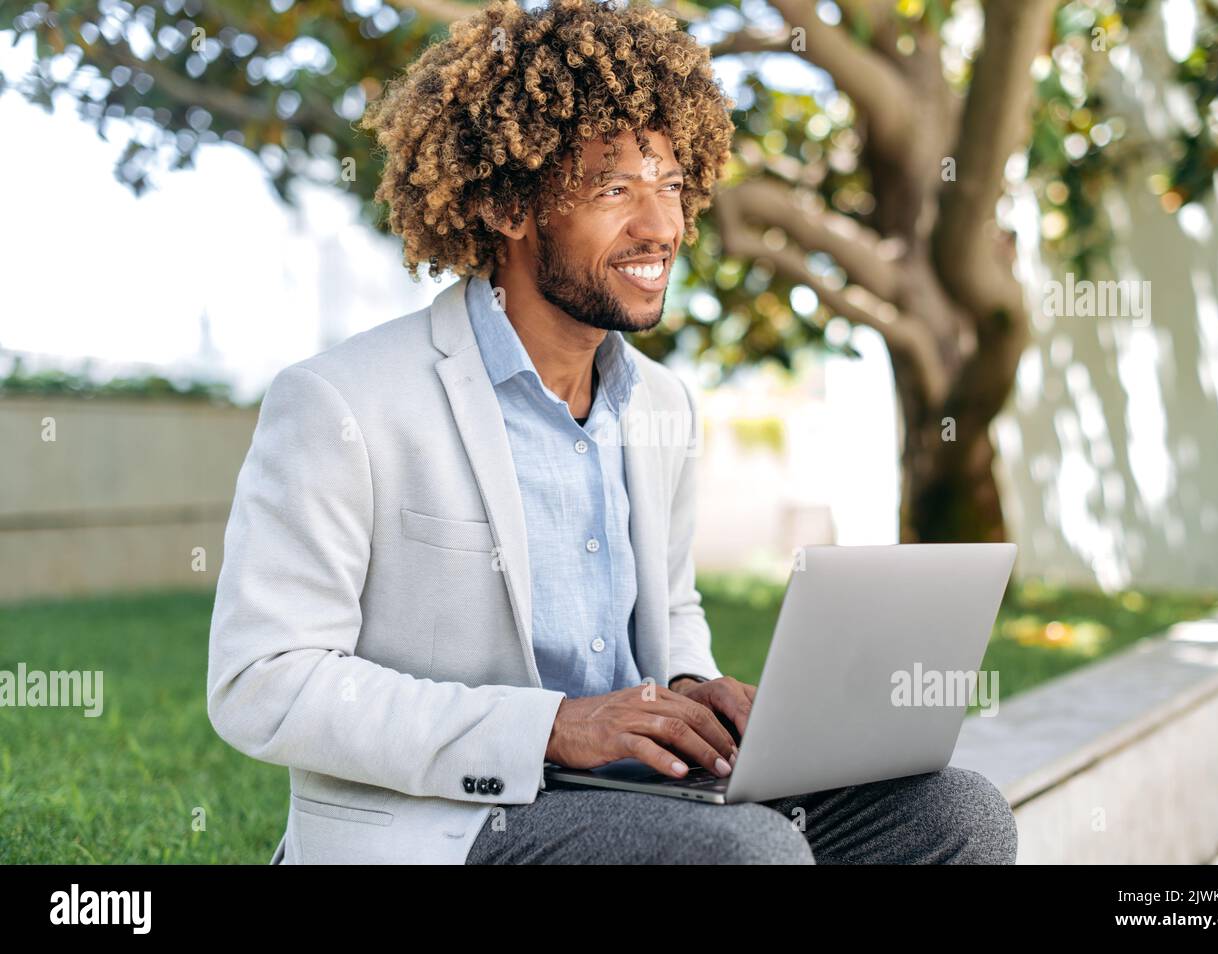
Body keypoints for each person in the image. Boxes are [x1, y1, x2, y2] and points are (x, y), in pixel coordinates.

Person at [206, 0, 1017, 865]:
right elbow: (263, 681)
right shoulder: (343, 404)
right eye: (614, 189)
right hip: (451, 823)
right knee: (748, 857)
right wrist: (554, 727)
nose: (662, 227)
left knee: (958, 813)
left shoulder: (661, 404)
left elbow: (668, 611)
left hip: (638, 795)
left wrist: (694, 694)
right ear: (513, 207)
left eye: (670, 185)